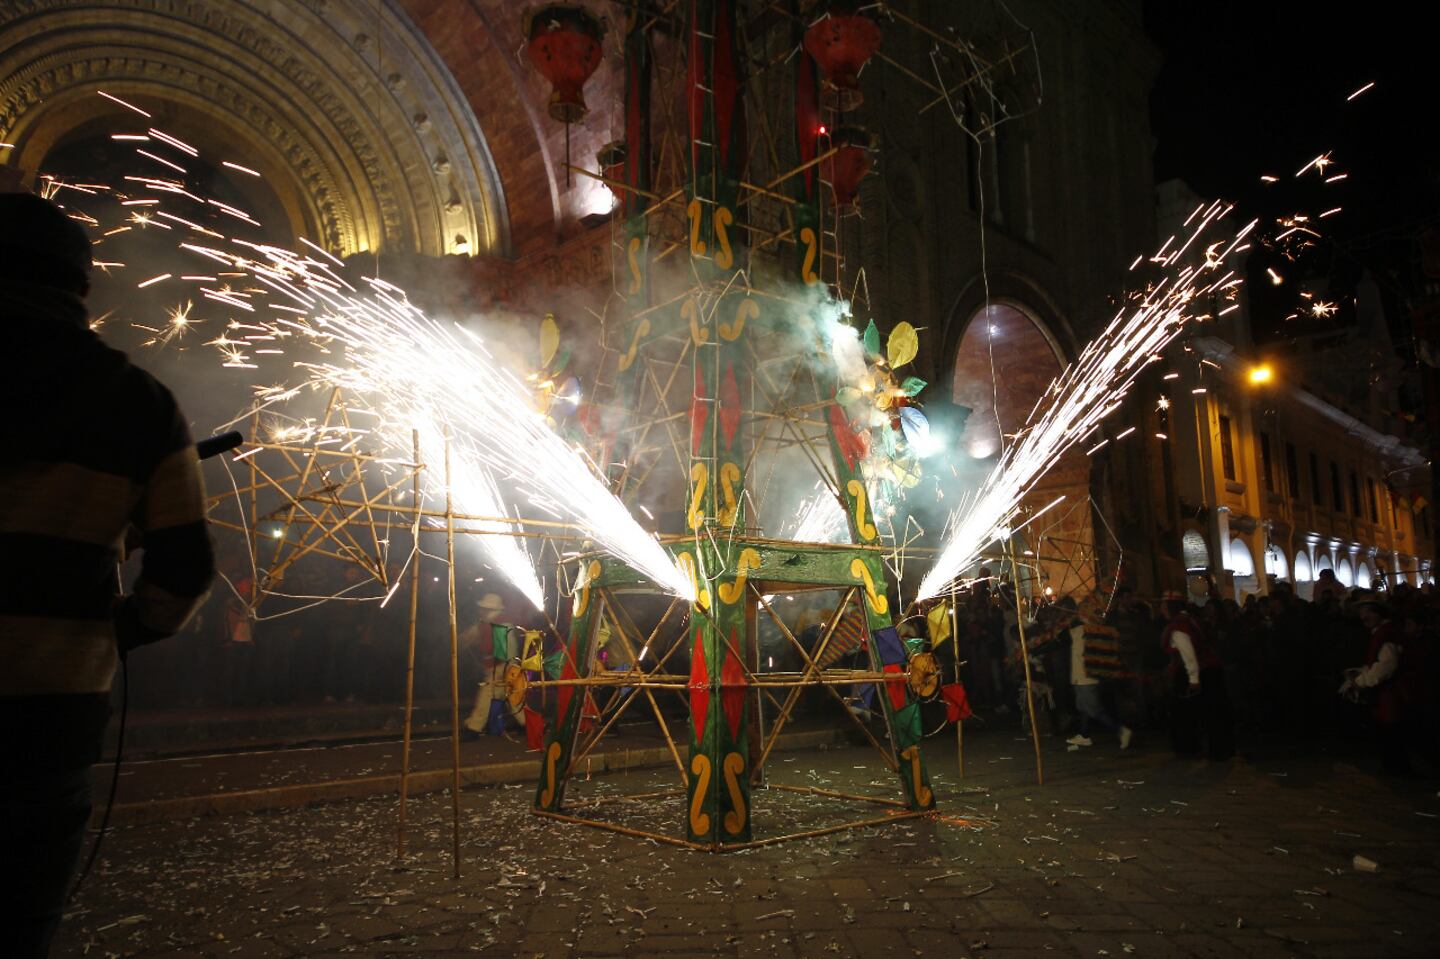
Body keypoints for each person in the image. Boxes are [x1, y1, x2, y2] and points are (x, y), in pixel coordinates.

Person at [0, 193, 215, 957]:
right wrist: (114, 628)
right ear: (83, 286)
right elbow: (186, 570)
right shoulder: (138, 404)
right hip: (45, 727)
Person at [1340, 596, 1412, 775]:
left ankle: (1397, 768)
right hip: (1385, 691)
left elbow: (1386, 666)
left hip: (1391, 692)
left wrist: (1361, 681)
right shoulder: (1380, 632)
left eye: (1368, 613)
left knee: (1391, 730)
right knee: (1387, 730)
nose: (1364, 618)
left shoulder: (1386, 634)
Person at [1160, 590, 1234, 761]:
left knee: (1186, 713)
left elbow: (1188, 655)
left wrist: (1193, 679)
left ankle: (1190, 747)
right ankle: (1214, 748)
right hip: (1209, 669)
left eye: (1164, 606)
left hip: (1197, 670)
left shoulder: (1179, 626)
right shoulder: (1191, 620)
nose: (1162, 609)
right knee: (1210, 712)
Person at [1065, 594, 1134, 749]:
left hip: (1085, 677)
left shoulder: (1083, 630)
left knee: (1094, 710)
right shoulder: (1090, 629)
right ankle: (1084, 735)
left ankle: (1121, 730)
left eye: (1082, 609)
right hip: (1082, 676)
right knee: (1084, 708)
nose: (1079, 612)